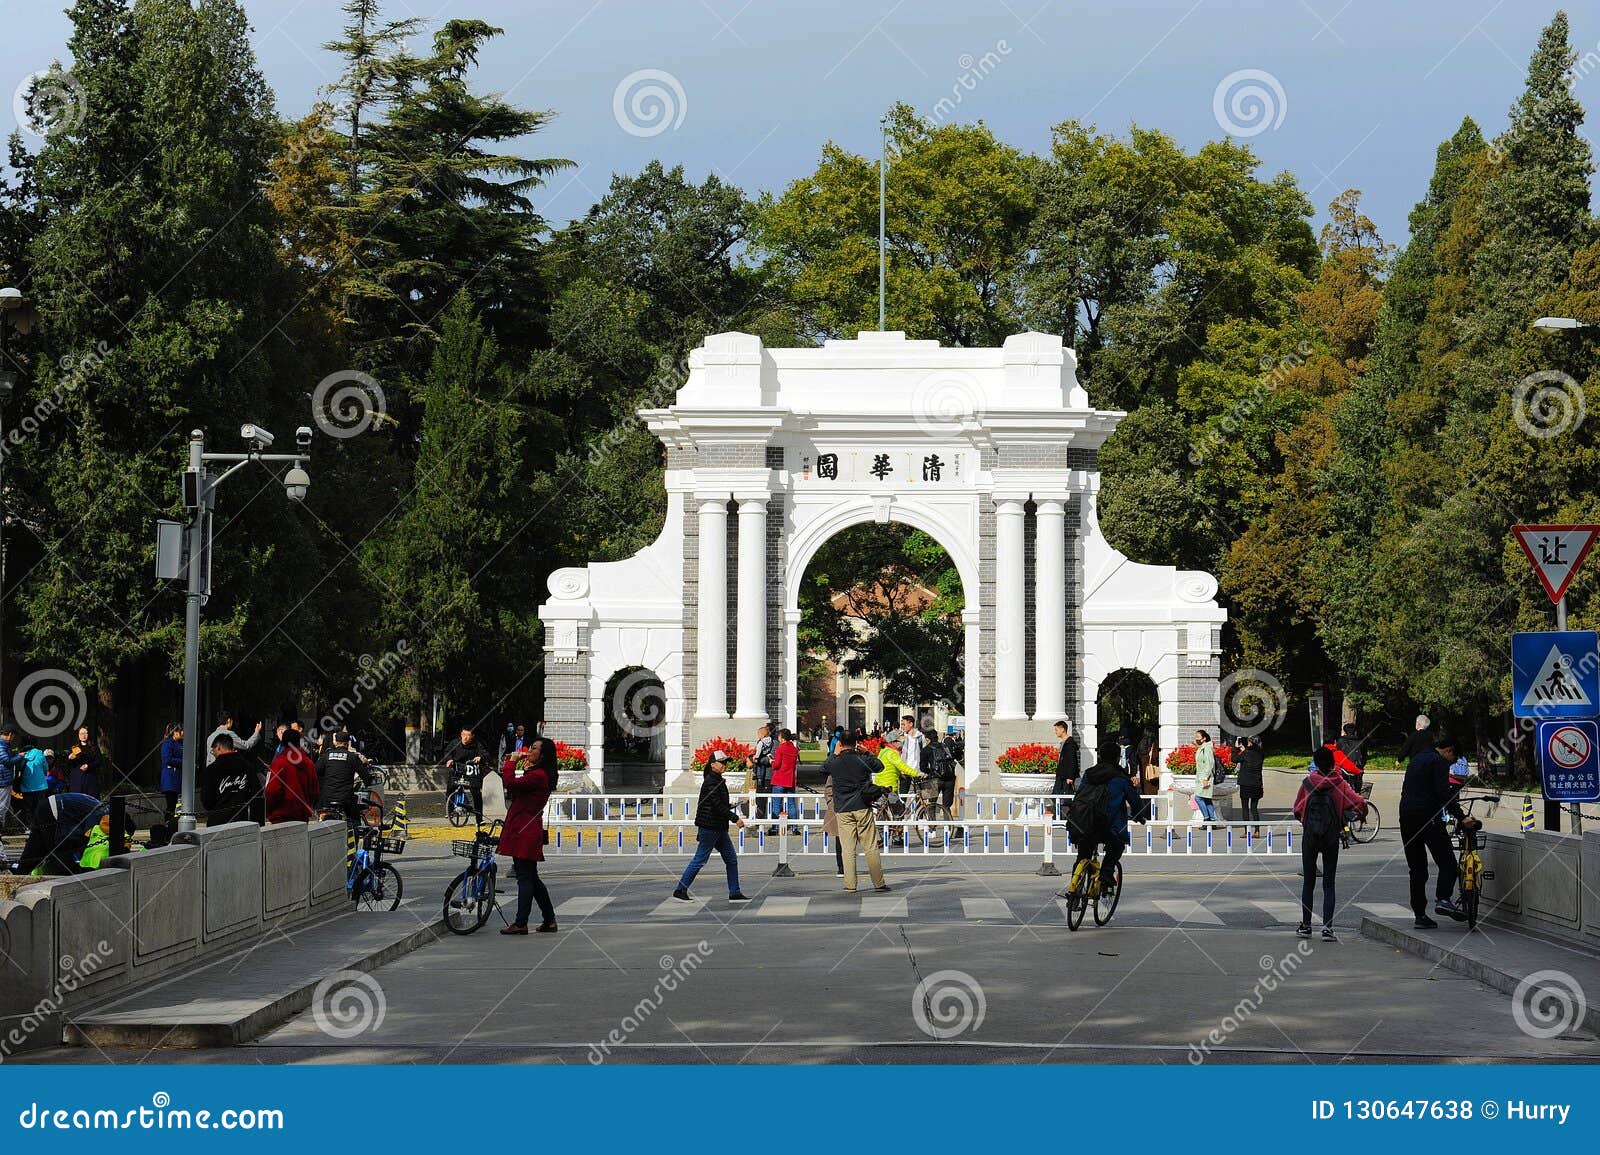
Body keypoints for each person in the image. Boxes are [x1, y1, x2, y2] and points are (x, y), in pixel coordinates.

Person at [1399, 733, 1474, 928]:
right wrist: (1462, 817)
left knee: (1417, 870)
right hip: (1428, 819)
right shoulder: (1438, 761)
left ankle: (1420, 916)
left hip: (1406, 818)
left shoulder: (1417, 759)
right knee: (1448, 862)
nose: (1451, 764)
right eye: (1453, 759)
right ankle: (1443, 898)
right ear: (1449, 751)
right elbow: (1444, 794)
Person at [1293, 746, 1368, 940]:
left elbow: (1297, 809)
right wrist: (1360, 815)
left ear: (1315, 763)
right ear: (1333, 763)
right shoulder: (1340, 784)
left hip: (1310, 835)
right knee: (1329, 883)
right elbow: (1359, 803)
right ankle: (1327, 928)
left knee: (1308, 881)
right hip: (1331, 836)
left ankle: (1306, 925)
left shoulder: (1308, 782)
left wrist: (1308, 822)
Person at [1064, 738, 1148, 893]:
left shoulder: (1089, 774)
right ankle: (1106, 874)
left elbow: (1080, 795)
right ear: (1117, 758)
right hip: (1109, 827)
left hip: (1084, 823)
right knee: (1117, 847)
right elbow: (1135, 801)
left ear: (1100, 757)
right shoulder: (1121, 778)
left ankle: (1074, 891)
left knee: (1083, 854)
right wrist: (1140, 815)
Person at [673, 750, 750, 903]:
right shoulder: (711, 781)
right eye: (722, 762)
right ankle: (680, 890)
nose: (724, 765)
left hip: (718, 827)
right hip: (710, 827)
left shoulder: (717, 780)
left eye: (725, 762)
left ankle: (734, 892)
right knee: (700, 859)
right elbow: (716, 805)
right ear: (713, 764)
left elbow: (717, 803)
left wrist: (729, 805)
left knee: (731, 859)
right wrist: (735, 818)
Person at [499, 737, 559, 934]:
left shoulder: (538, 776)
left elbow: (510, 783)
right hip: (526, 829)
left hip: (524, 832)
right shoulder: (538, 773)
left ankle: (521, 922)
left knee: (524, 878)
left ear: (542, 756)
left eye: (534, 749)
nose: (529, 751)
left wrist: (512, 762)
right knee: (532, 878)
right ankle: (549, 920)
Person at [824, 733, 891, 893]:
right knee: (870, 846)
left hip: (843, 808)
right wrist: (866, 752)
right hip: (862, 805)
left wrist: (835, 753)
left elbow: (823, 768)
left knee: (847, 848)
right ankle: (878, 883)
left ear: (840, 743)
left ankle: (850, 884)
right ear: (856, 743)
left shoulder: (835, 762)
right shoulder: (862, 759)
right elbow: (880, 767)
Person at [15, 792, 107, 875]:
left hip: (50, 806)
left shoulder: (100, 808)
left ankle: (21, 873)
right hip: (55, 810)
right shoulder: (101, 814)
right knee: (60, 853)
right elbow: (88, 834)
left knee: (35, 849)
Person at [201, 733, 263, 826]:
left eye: (212, 751)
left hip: (218, 820)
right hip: (242, 820)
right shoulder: (247, 766)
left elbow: (207, 800)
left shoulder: (212, 769)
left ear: (218, 747)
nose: (213, 754)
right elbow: (257, 791)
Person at [316, 730, 373, 825]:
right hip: (345, 798)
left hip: (327, 798)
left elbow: (316, 771)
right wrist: (369, 781)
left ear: (336, 742)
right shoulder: (352, 757)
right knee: (354, 819)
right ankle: (354, 833)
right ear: (347, 743)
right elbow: (366, 777)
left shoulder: (327, 756)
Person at [265, 726, 320, 824]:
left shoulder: (278, 763)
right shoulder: (308, 763)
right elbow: (314, 791)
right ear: (299, 743)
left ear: (282, 743)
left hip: (280, 817)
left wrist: (270, 811)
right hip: (301, 817)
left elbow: (271, 791)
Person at [442, 726, 487, 825]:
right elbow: (447, 752)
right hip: (457, 768)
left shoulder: (477, 745)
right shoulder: (454, 743)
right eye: (463, 735)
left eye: (468, 735)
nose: (465, 738)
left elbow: (484, 754)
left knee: (476, 793)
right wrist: (449, 759)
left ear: (472, 736)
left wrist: (480, 757)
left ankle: (479, 819)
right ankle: (450, 811)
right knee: (450, 788)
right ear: (461, 735)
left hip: (470, 771)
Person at [766, 728, 800, 833]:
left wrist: (771, 761)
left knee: (777, 804)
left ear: (782, 738)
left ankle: (775, 827)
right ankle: (794, 827)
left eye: (779, 737)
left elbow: (776, 765)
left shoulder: (780, 749)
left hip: (779, 779)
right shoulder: (794, 749)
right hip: (790, 779)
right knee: (791, 804)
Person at [1047, 720, 1079, 817]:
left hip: (1065, 777)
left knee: (1065, 797)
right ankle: (1059, 816)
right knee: (1056, 796)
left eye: (1056, 730)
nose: (1055, 732)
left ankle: (1065, 816)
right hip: (1061, 775)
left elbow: (1072, 761)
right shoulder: (1064, 743)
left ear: (1063, 730)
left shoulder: (1070, 743)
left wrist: (1070, 776)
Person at [17, 745, 52, 832]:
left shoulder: (22, 755)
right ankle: (40, 827)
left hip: (26, 786)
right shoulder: (40, 753)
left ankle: (29, 827)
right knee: (40, 807)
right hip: (40, 786)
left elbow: (19, 768)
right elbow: (46, 768)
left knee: (28, 808)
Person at [1235, 736, 1265, 829]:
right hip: (1257, 784)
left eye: (1248, 742)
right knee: (1254, 808)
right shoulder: (1261, 753)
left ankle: (1246, 830)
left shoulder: (1246, 753)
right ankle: (1257, 830)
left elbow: (1234, 758)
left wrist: (1236, 748)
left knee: (1245, 808)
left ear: (1251, 743)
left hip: (1246, 783)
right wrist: (1244, 750)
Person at [66, 726, 104, 798]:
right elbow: (69, 764)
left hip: (90, 779)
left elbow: (99, 761)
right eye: (81, 733)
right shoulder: (75, 748)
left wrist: (88, 766)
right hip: (77, 779)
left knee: (91, 801)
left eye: (86, 733)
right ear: (78, 735)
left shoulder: (94, 748)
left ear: (89, 734)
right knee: (77, 801)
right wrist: (69, 758)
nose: (83, 736)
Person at [159, 723, 184, 827]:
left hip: (178, 778)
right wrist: (184, 761)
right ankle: (168, 825)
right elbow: (167, 759)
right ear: (175, 732)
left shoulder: (180, 743)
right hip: (170, 779)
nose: (183, 733)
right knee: (171, 804)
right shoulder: (168, 743)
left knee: (177, 805)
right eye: (181, 730)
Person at [1192, 730, 1218, 824]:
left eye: (1198, 737)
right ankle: (1212, 820)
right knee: (1206, 799)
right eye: (1196, 737)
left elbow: (1210, 763)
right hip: (1202, 777)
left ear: (1204, 738)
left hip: (1205, 777)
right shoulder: (1202, 748)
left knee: (1198, 798)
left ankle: (1206, 818)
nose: (1196, 739)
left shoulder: (1206, 748)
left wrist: (1205, 778)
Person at [751, 723, 775, 820]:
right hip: (761, 773)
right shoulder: (766, 741)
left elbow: (772, 757)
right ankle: (759, 818)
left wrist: (757, 759)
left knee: (765, 798)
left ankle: (767, 819)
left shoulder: (773, 742)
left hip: (768, 776)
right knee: (760, 798)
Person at [1136, 728, 1160, 797]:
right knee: (1152, 791)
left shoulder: (1141, 743)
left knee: (1145, 791)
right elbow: (1156, 757)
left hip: (1143, 772)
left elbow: (1138, 757)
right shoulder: (1154, 744)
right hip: (1152, 771)